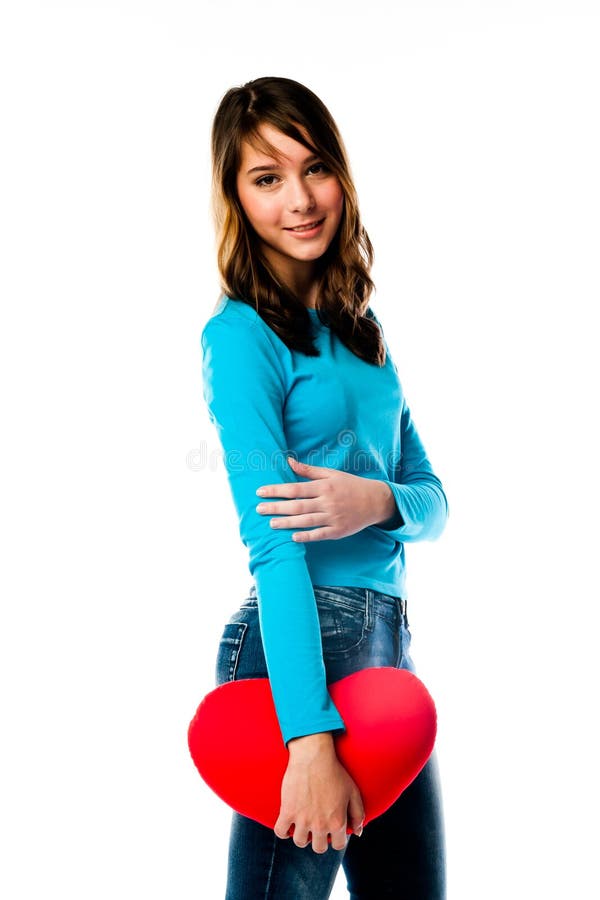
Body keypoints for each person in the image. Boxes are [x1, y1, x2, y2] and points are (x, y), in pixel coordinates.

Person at [200, 76, 449, 900]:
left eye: (314, 169)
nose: (301, 200)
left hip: (388, 652)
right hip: (302, 647)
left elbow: (432, 497)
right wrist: (308, 739)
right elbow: (275, 546)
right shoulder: (239, 338)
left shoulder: (364, 331)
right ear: (237, 197)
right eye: (266, 178)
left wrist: (376, 502)